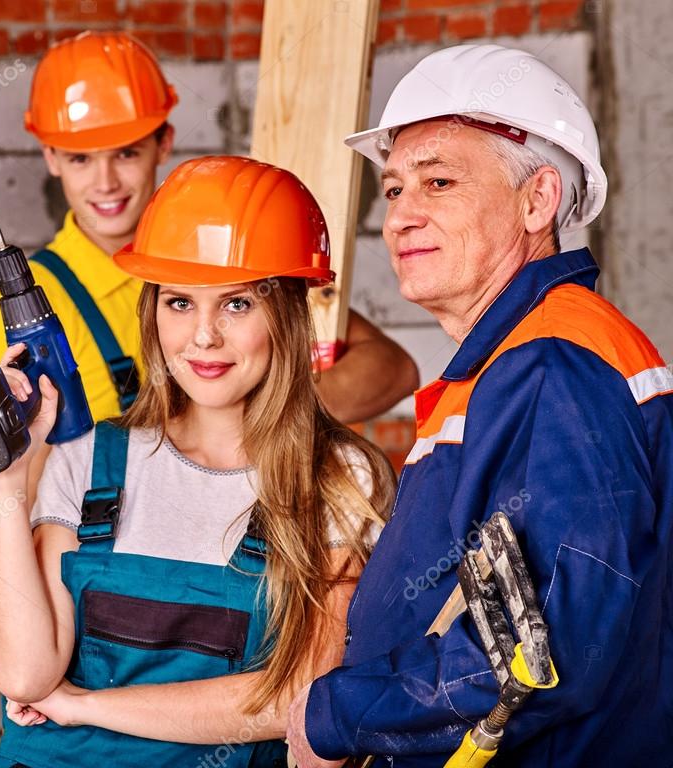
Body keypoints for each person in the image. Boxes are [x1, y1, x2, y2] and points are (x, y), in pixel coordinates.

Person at [287, 44, 673, 767]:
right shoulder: (510, 362)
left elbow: (544, 648)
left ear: (538, 201)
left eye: (439, 182)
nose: (400, 215)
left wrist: (336, 715)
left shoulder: (556, 362)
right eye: (395, 188)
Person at [0, 155, 396, 768]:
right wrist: (8, 482)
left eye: (235, 305)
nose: (202, 337)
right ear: (151, 312)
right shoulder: (87, 457)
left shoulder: (335, 478)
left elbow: (296, 703)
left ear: (286, 314)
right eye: (178, 303)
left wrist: (85, 705)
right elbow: (24, 673)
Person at [0, 31, 418, 435]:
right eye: (80, 160)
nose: (105, 182)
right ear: (50, 158)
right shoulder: (26, 311)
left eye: (126, 153)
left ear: (163, 142)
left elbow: (394, 369)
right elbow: (32, 489)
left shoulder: (217, 242)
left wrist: (254, 418)